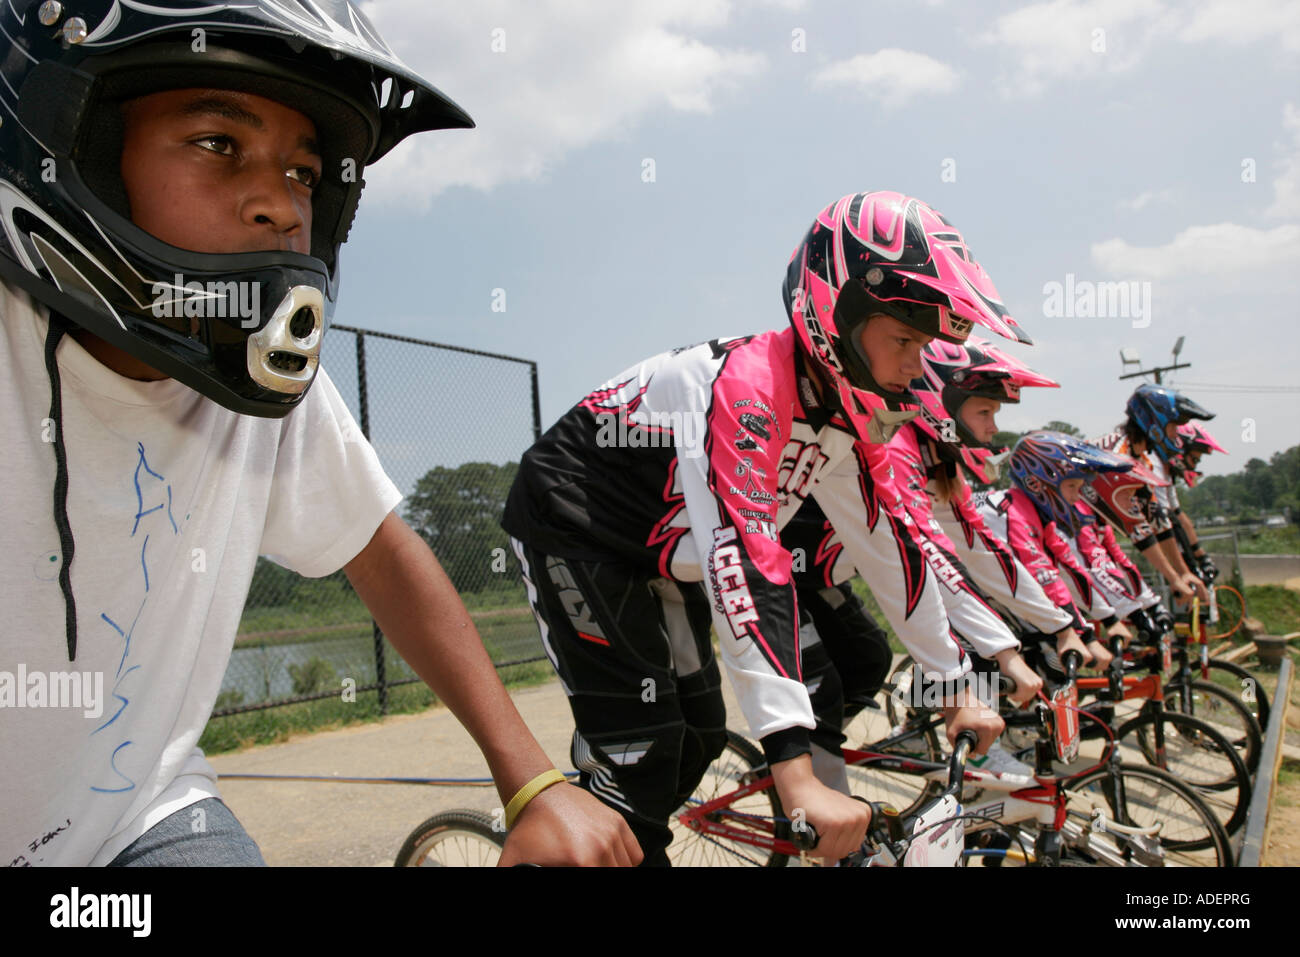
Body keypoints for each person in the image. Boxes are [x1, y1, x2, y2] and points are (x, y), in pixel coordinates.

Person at [0, 0, 639, 867]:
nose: (279, 204)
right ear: (70, 141)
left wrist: (531, 780)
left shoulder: (250, 381)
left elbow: (377, 549)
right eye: (218, 144)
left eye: (304, 171)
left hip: (135, 808)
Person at [501, 190, 1021, 863]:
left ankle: (623, 810)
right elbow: (746, 559)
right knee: (645, 751)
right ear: (838, 312)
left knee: (701, 733)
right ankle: (592, 798)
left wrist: (953, 685)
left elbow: (892, 548)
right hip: (573, 526)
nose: (916, 365)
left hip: (656, 551)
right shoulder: (747, 385)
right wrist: (794, 772)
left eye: (924, 345)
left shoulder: (844, 408)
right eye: (904, 339)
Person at [1093, 384, 1215, 607]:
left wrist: (1183, 573)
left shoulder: (1141, 460)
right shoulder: (1119, 456)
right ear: (1154, 422)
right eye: (1173, 427)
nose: (1176, 435)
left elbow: (1158, 521)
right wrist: (1174, 578)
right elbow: (1138, 527)